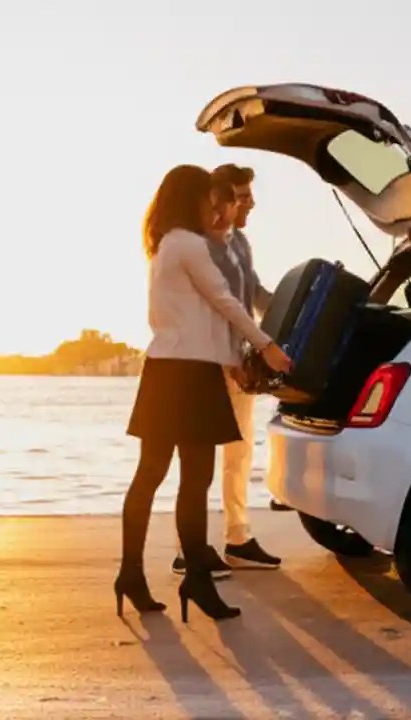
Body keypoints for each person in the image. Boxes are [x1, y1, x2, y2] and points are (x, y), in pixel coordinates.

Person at [114, 164, 291, 623]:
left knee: (150, 476)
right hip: (189, 377)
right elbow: (225, 302)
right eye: (209, 198)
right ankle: (194, 579)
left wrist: (232, 357)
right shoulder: (191, 245)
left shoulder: (163, 245)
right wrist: (266, 346)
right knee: (194, 482)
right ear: (191, 198)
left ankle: (133, 574)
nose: (215, 206)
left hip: (163, 372)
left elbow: (203, 314)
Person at [171, 164, 281, 576]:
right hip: (204, 364)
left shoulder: (242, 244)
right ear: (220, 199)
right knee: (196, 459)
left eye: (250, 195)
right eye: (243, 195)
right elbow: (209, 307)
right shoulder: (196, 244)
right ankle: (188, 546)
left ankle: (238, 539)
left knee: (239, 454)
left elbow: (253, 295)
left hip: (240, 368)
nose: (250, 202)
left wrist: (293, 308)